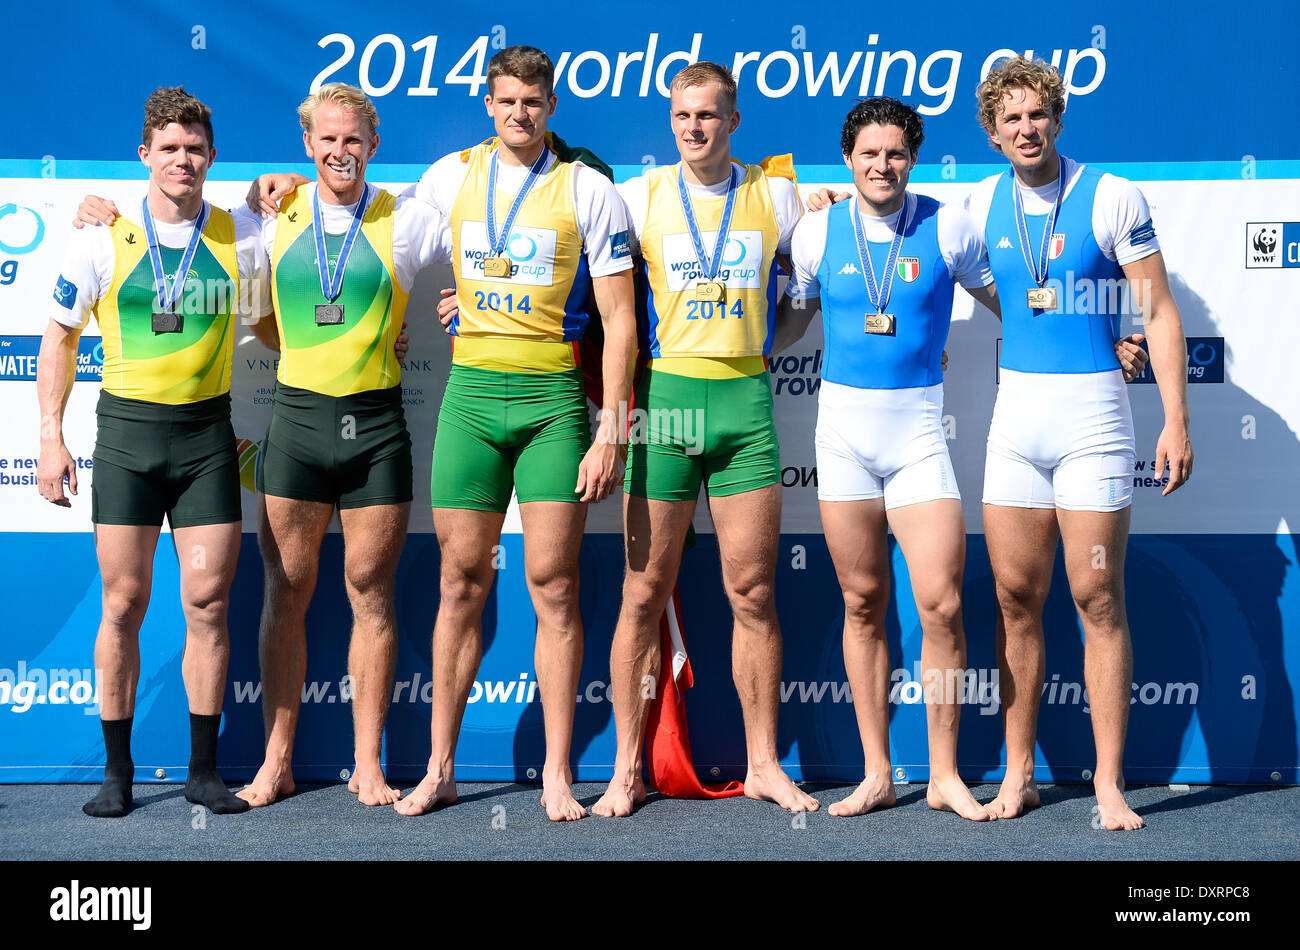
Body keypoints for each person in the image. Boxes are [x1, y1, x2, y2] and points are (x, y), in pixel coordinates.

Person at [392, 46, 636, 821]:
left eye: (533, 102)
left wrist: (613, 430)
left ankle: (559, 774)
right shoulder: (448, 177)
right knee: (459, 582)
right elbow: (380, 253)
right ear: (487, 106)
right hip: (467, 399)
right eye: (506, 102)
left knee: (555, 588)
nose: (519, 114)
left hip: (553, 403)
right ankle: (440, 768)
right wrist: (287, 196)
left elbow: (624, 320)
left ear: (551, 108)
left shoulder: (589, 189)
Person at [967, 56, 1192, 829]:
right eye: (1011, 119)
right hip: (1015, 428)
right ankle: (1018, 776)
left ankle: (1107, 784)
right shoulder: (976, 205)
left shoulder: (1113, 195)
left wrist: (1176, 418)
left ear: (1056, 119)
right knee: (1013, 599)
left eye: (1037, 115)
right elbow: (931, 252)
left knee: (1097, 597)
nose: (1026, 129)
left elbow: (1158, 312)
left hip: (1094, 422)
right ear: (993, 133)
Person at [591, 62, 817, 817]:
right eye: (684, 116)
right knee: (642, 592)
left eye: (710, 115)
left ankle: (761, 764)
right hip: (667, 405)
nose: (696, 128)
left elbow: (833, 268)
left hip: (747, 402)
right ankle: (626, 768)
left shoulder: (776, 196)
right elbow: (584, 281)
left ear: (735, 120)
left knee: (753, 592)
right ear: (671, 121)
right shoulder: (638, 195)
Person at [36, 86, 266, 817]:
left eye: (195, 149)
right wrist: (50, 437)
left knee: (206, 603)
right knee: (124, 602)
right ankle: (117, 773)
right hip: (129, 439)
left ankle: (203, 771)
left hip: (205, 441)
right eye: (169, 148)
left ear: (212, 158)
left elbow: (277, 329)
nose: (183, 160)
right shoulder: (99, 236)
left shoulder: (242, 237)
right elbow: (59, 339)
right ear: (145, 155)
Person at [779, 97, 1000, 820]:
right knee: (862, 601)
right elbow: (786, 324)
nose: (883, 165)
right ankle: (877, 772)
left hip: (917, 439)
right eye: (869, 154)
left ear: (914, 157)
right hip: (841, 437)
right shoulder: (815, 232)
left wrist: (1095, 338)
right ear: (848, 158)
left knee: (940, 604)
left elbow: (1014, 309)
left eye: (896, 153)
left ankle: (943, 774)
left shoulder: (951, 225)